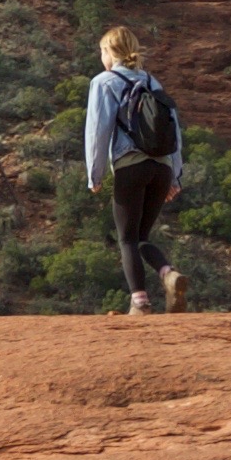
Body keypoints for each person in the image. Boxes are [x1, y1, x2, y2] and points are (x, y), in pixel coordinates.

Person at [81, 24, 189, 314]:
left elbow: (98, 131)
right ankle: (168, 273)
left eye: (102, 50)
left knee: (127, 238)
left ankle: (139, 303)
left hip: (130, 165)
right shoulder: (154, 83)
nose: (101, 56)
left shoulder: (103, 82)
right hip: (161, 168)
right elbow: (175, 133)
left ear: (109, 52)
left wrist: (95, 173)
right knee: (141, 237)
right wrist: (175, 176)